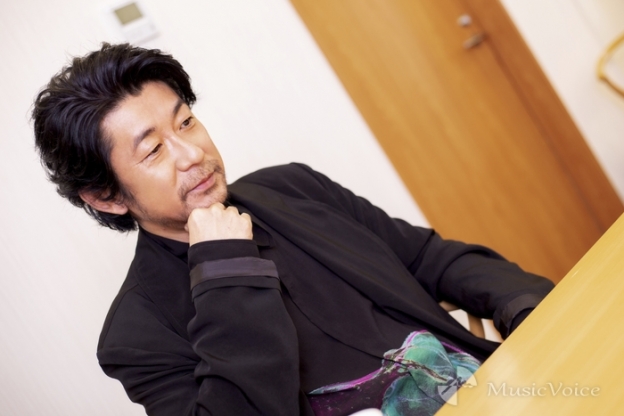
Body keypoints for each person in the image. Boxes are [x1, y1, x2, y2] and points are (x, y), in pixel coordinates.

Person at [32, 43, 554, 416]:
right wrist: (224, 271)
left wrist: (529, 309)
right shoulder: (135, 338)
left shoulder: (292, 186)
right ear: (106, 196)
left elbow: (429, 259)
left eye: (186, 121)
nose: (192, 154)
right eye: (153, 150)